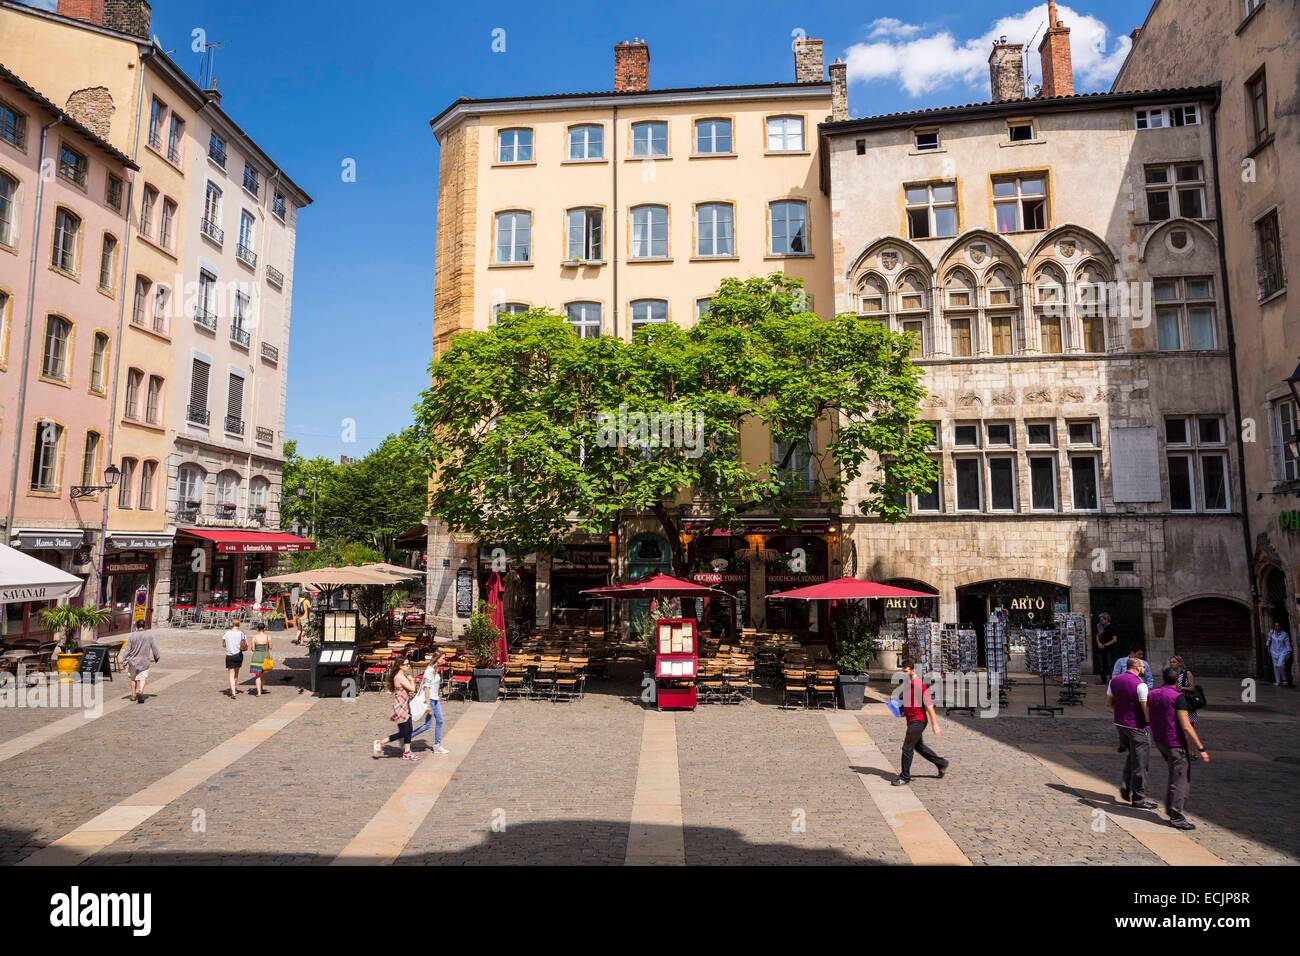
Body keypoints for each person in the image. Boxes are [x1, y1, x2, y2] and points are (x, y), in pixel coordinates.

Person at [1148, 665, 1210, 830]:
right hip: (1175, 742)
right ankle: (1176, 816)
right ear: (1177, 681)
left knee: (1174, 775)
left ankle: (1170, 808)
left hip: (1160, 740)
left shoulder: (1152, 693)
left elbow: (1148, 715)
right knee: (1181, 779)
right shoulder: (1178, 698)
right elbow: (1187, 726)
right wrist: (1201, 748)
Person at [1106, 655, 1157, 809]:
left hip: (1120, 724)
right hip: (1137, 726)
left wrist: (1122, 710)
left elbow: (1108, 703)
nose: (1143, 669)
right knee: (1141, 763)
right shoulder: (1140, 685)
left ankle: (1125, 784)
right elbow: (1145, 708)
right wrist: (1151, 722)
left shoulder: (1114, 681)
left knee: (1133, 755)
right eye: (1142, 667)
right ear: (1136, 667)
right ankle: (1138, 797)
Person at [892, 658, 949, 786]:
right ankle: (942, 763)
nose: (904, 673)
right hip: (911, 719)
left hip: (919, 721)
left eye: (906, 671)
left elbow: (929, 707)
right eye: (903, 671)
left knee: (907, 748)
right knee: (919, 747)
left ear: (912, 671)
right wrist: (901, 711)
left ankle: (904, 777)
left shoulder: (920, 686)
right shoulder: (907, 684)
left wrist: (935, 725)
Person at [374, 656, 419, 761]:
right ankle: (380, 743)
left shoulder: (401, 675)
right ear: (400, 666)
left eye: (409, 664)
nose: (408, 666)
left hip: (405, 705)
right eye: (406, 664)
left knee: (409, 729)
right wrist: (412, 681)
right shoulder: (400, 677)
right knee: (404, 732)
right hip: (401, 707)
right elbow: (412, 688)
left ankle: (407, 752)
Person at [410, 651, 449, 755]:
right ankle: (408, 737)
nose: (444, 660)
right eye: (442, 658)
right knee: (428, 725)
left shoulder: (435, 669)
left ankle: (437, 745)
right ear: (437, 659)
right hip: (430, 700)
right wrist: (428, 704)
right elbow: (426, 688)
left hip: (435, 699)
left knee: (440, 721)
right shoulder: (429, 670)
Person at [122, 626, 160, 703]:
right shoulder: (149, 635)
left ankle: (133, 695)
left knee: (133, 679)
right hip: (144, 662)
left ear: (137, 627)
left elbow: (127, 650)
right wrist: (156, 657)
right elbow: (154, 647)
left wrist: (124, 661)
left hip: (133, 662)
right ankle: (140, 691)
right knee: (142, 678)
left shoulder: (132, 636)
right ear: (144, 626)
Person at [221, 617, 246, 699]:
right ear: (239, 624)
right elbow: (246, 644)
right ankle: (234, 688)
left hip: (229, 655)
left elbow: (223, 644)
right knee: (236, 674)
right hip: (238, 655)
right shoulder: (241, 633)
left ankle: (233, 692)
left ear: (232, 624)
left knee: (231, 675)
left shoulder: (227, 633)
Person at [247, 622, 273, 697]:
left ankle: (258, 692)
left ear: (257, 629)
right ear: (264, 628)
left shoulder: (254, 637)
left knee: (257, 675)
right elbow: (270, 647)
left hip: (257, 656)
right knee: (263, 675)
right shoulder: (268, 636)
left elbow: (253, 649)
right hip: (265, 656)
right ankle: (261, 688)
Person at [1267, 620, 1294, 687]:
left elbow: (1287, 643)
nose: (1276, 627)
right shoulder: (1271, 632)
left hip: (1282, 651)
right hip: (1273, 651)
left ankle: (1285, 679)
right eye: (1275, 625)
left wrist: (1288, 652)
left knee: (1280, 665)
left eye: (1278, 626)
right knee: (1275, 666)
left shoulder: (1284, 634)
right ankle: (1278, 681)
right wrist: (1268, 648)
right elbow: (1268, 640)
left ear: (1280, 627)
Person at [1094, 613, 1119, 684]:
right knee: (1102, 665)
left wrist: (1105, 645)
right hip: (1101, 650)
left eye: (1102, 619)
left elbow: (1114, 639)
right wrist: (1098, 643)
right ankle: (1103, 680)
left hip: (1109, 649)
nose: (1101, 621)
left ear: (1107, 619)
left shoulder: (1112, 628)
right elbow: (1097, 636)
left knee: (1110, 664)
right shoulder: (1100, 627)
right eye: (1100, 619)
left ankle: (1112, 680)